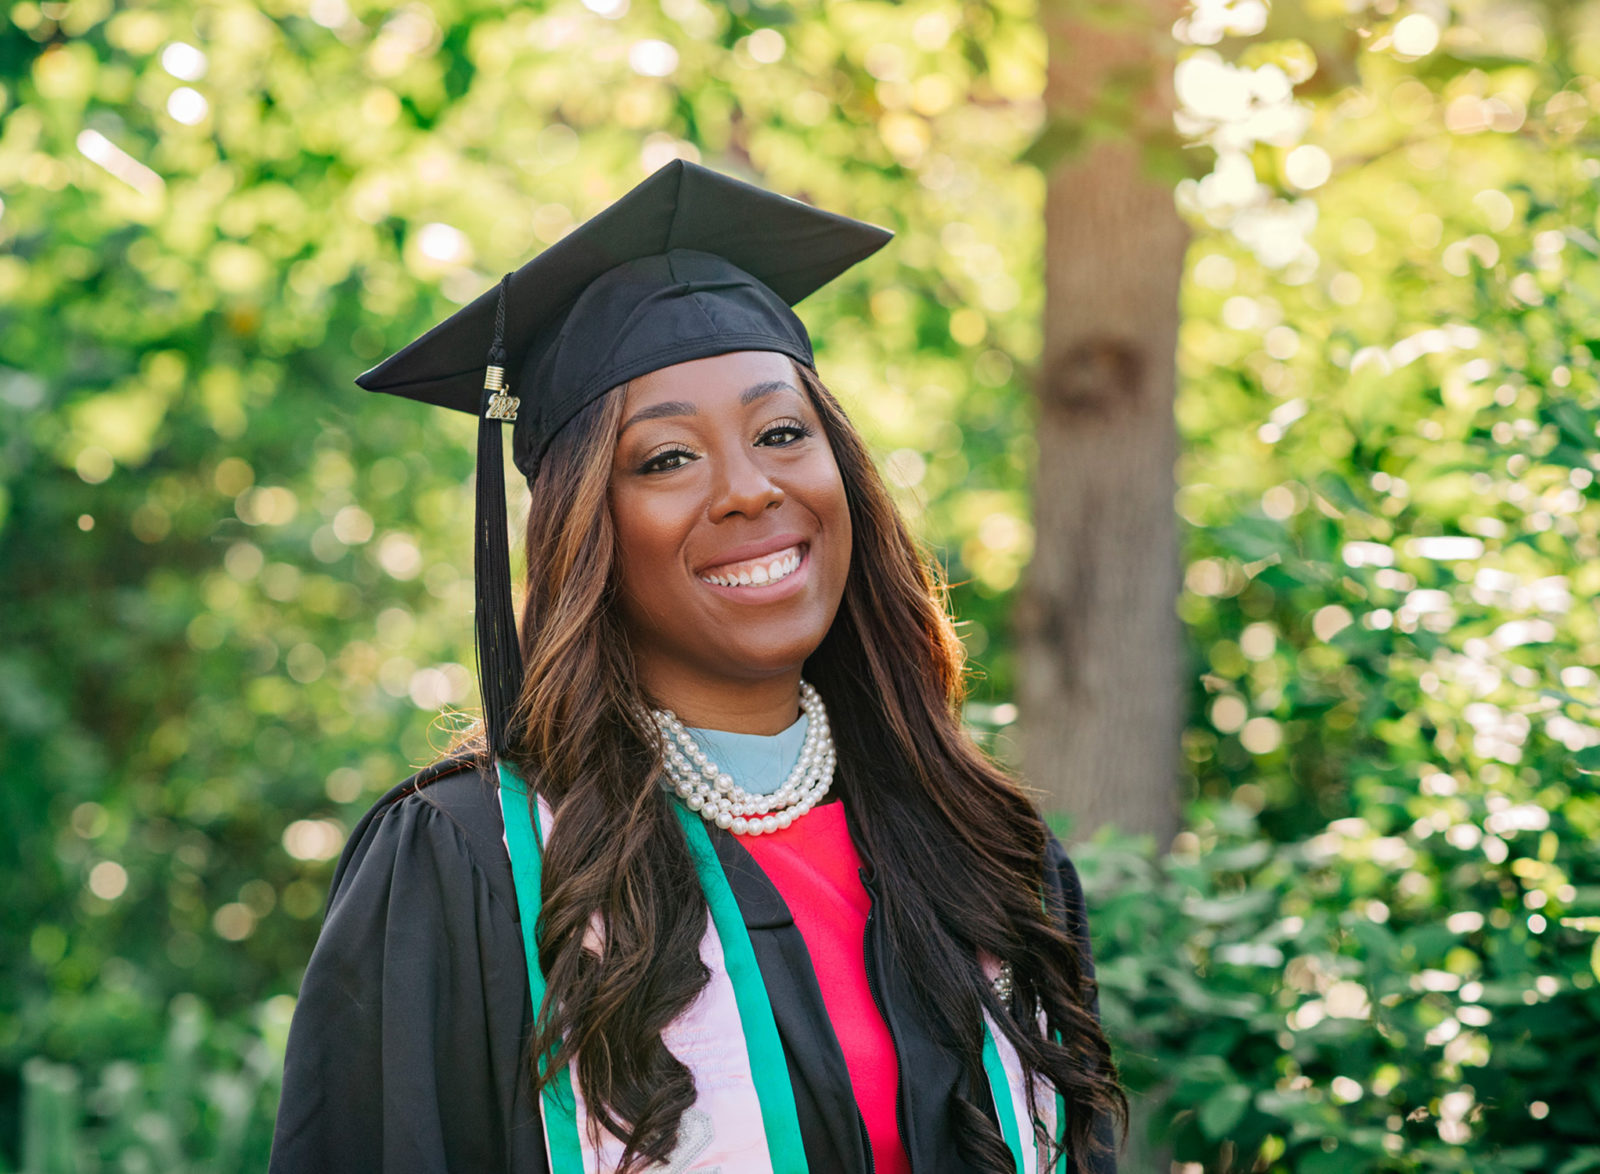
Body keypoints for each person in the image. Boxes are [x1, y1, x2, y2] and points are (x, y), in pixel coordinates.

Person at [269, 160, 1126, 1174]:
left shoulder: (981, 850)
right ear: (586, 526)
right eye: (667, 458)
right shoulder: (473, 865)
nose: (749, 490)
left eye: (780, 433)